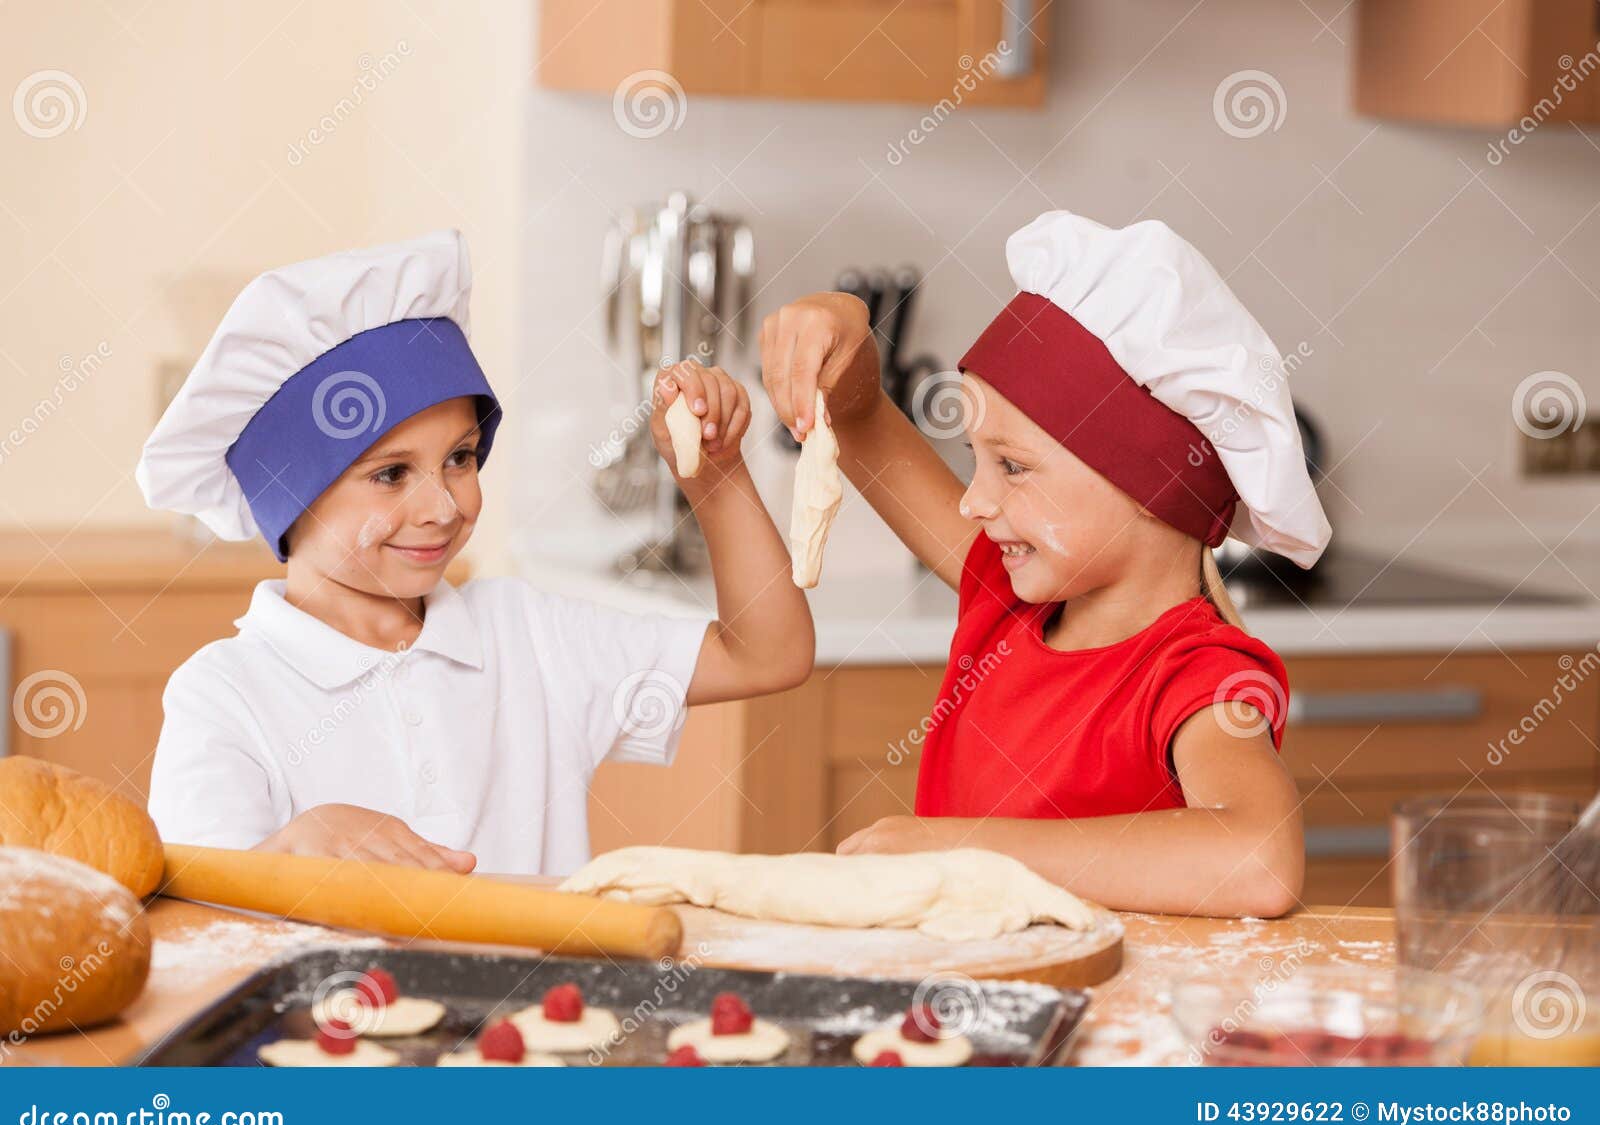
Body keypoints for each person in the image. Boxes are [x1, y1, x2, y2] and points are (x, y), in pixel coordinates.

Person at [138, 230, 810, 875]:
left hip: (539, 999)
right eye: (391, 474)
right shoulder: (224, 696)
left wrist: (715, 481)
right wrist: (290, 849)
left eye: (460, 457)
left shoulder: (528, 636)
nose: (443, 505)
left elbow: (767, 653)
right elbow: (204, 920)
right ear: (290, 495)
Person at [758, 210, 1331, 917]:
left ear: (1150, 489)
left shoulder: (1197, 679)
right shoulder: (1006, 593)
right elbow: (862, 414)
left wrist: (961, 856)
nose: (973, 501)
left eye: (1013, 466)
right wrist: (838, 320)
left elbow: (1258, 860)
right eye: (975, 459)